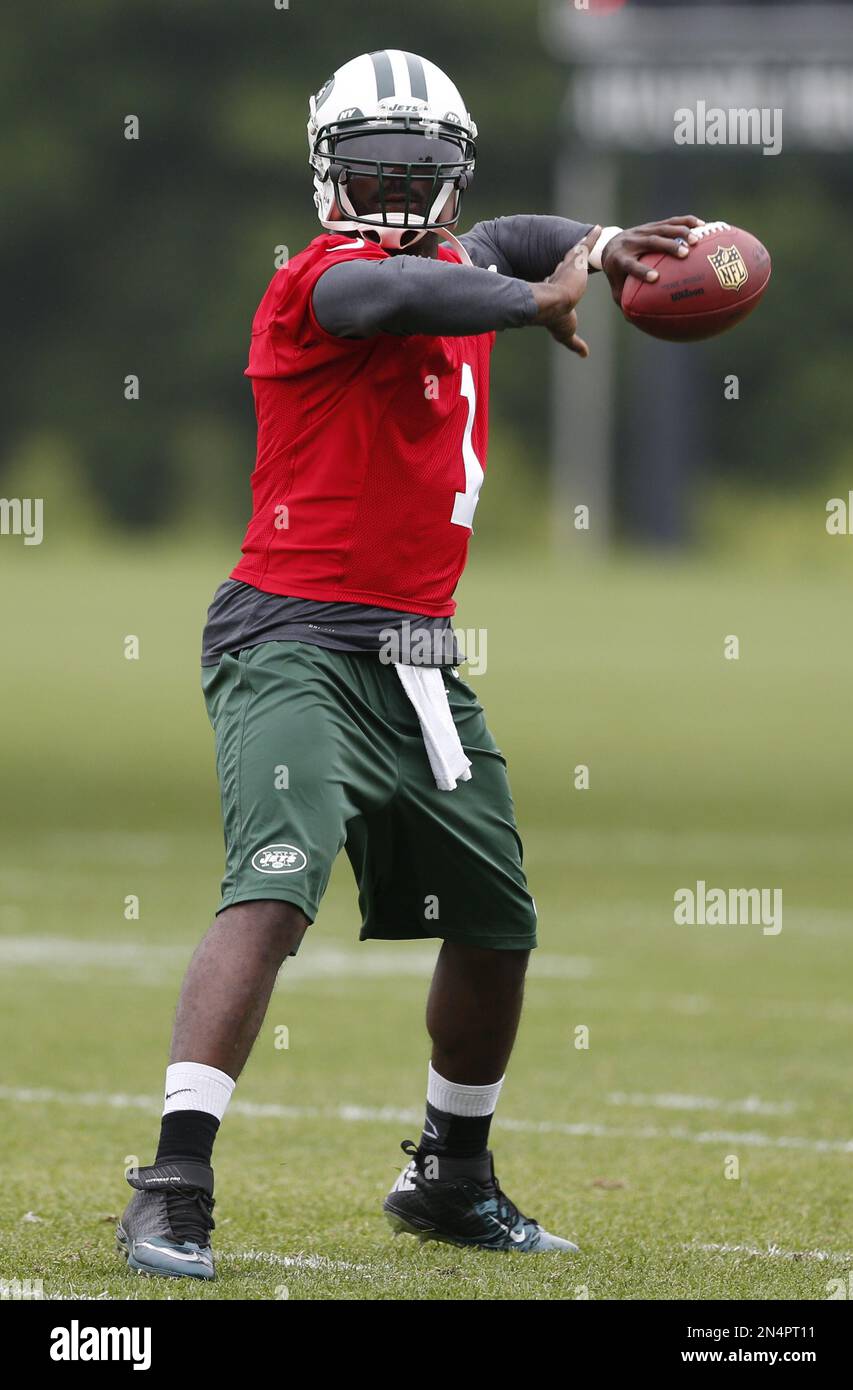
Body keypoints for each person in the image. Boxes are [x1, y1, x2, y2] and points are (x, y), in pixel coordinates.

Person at [117, 48, 704, 1279]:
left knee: (494, 920)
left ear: (450, 174)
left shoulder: (464, 260)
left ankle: (450, 1175)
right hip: (289, 636)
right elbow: (388, 296)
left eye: (414, 171)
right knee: (274, 888)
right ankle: (171, 1182)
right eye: (373, 169)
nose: (392, 191)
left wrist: (600, 247)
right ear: (327, 175)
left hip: (416, 652)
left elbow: (501, 240)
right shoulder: (320, 279)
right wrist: (530, 303)